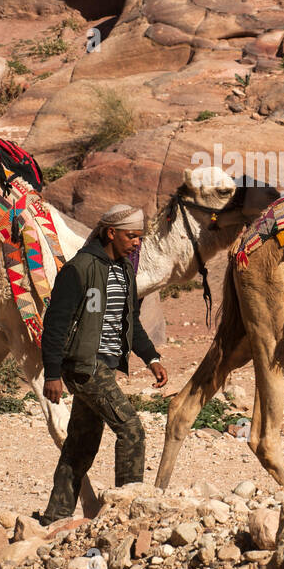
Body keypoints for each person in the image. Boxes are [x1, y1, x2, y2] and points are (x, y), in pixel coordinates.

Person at [37, 204, 169, 525]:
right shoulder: (79, 268)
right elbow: (55, 323)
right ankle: (126, 511)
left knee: (81, 444)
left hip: (104, 366)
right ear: (111, 233)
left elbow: (131, 322)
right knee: (131, 430)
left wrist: (151, 357)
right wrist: (52, 373)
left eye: (139, 237)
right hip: (83, 365)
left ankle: (56, 516)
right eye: (131, 236)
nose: (136, 243)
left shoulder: (124, 271)